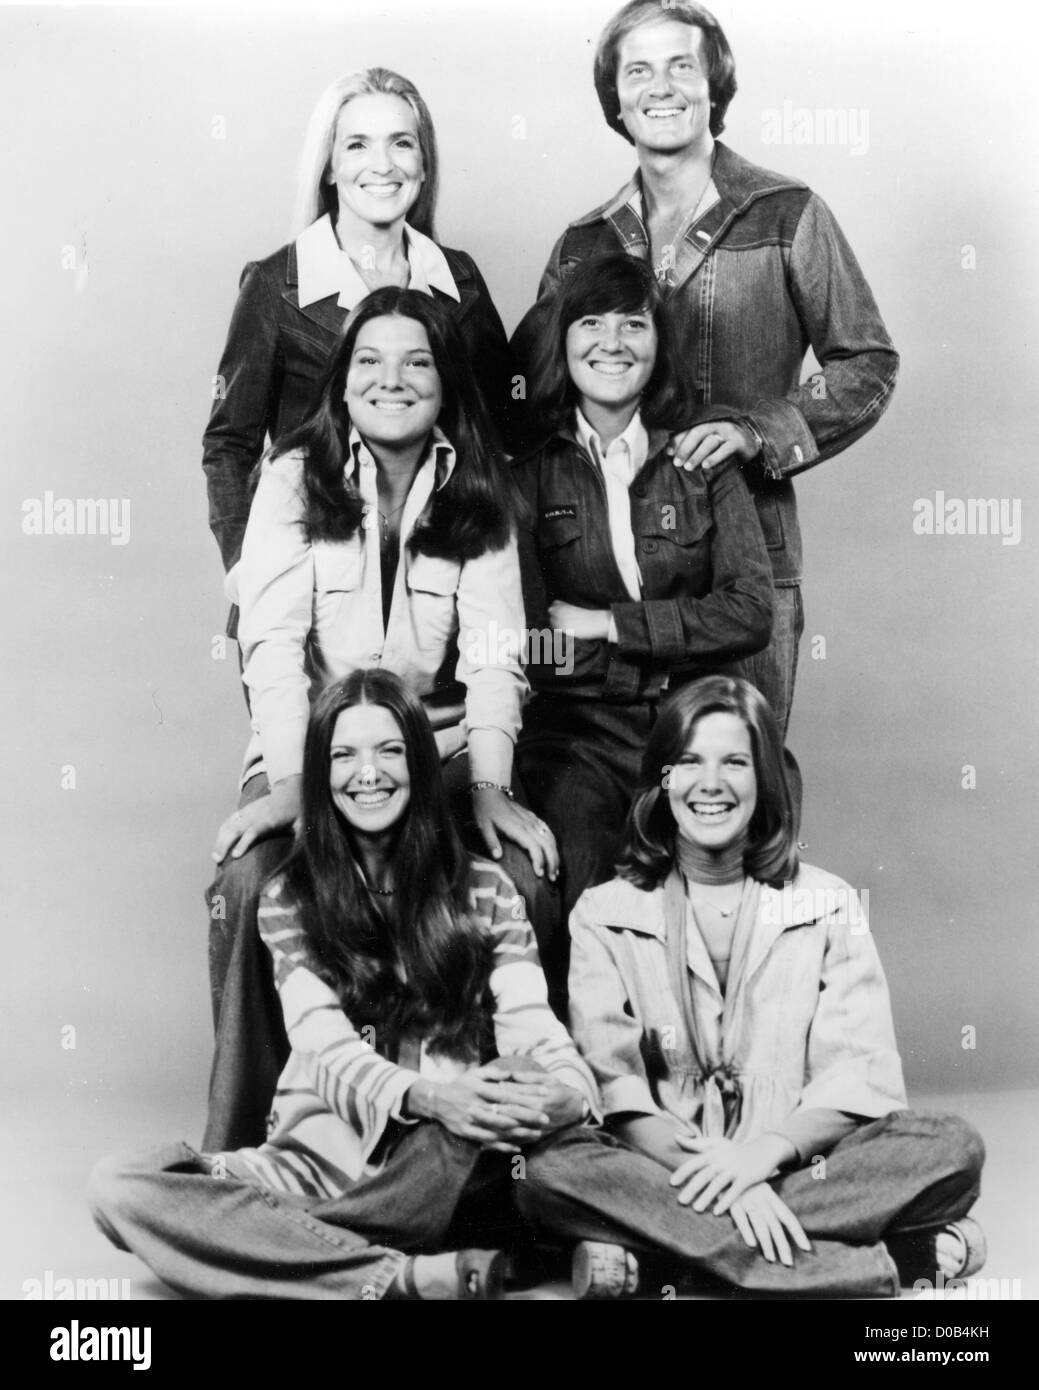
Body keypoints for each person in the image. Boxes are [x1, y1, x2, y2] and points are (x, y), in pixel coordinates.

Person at [89, 672, 598, 1301]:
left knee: (542, 1158)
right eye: (343, 755)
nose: (369, 773)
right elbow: (327, 1048)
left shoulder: (487, 889)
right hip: (314, 1169)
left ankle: (292, 1251)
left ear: (418, 761)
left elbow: (533, 1023)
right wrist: (429, 1097)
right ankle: (403, 1276)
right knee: (119, 1187)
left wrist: (572, 1096)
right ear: (321, 774)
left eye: (389, 751)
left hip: (442, 1163)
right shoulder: (290, 898)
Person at [205, 289, 558, 1153]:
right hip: (316, 745)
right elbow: (272, 643)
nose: (389, 380)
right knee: (247, 884)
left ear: (446, 384)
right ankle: (244, 1140)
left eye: (416, 362)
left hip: (434, 748)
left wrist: (489, 786)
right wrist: (293, 781)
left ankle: (517, 1141)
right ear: (341, 378)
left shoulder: (482, 485)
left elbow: (492, 654)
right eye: (369, 360)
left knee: (528, 876)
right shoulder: (292, 476)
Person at [511, 0, 899, 741]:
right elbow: (535, 400)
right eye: (638, 71)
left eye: (681, 66)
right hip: (599, 573)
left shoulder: (784, 213)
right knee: (599, 807)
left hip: (741, 564)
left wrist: (757, 432)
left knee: (733, 786)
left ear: (713, 87)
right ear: (615, 99)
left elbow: (867, 363)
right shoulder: (582, 243)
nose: (661, 87)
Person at [531, 676, 985, 1298]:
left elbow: (857, 1075)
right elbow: (616, 1088)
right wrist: (723, 1179)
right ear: (661, 783)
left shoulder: (827, 903)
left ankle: (679, 1259)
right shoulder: (602, 912)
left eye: (734, 762)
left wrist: (758, 1160)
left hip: (794, 1166)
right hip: (665, 1165)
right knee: (546, 1172)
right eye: (688, 761)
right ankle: (874, 1269)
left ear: (763, 780)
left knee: (950, 1148)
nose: (709, 783)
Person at [512, 252, 773, 984]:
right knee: (587, 885)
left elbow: (751, 611)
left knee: (739, 880)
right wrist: (677, 640)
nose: (612, 342)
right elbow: (536, 647)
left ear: (660, 344)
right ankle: (589, 1085)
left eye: (634, 324)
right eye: (589, 323)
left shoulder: (701, 456)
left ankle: (729, 1072)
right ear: (562, 343)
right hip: (580, 733)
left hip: (695, 722)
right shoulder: (528, 471)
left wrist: (610, 625)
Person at [203, 66, 518, 586]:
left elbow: (507, 424)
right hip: (309, 575)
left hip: (436, 578)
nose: (382, 165)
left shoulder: (458, 278)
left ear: (423, 163)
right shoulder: (274, 284)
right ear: (328, 167)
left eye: (401, 143)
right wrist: (247, 565)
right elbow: (228, 445)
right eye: (357, 146)